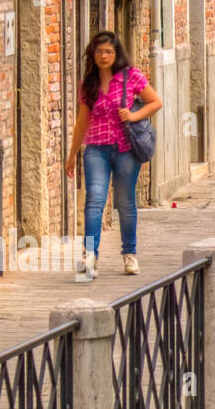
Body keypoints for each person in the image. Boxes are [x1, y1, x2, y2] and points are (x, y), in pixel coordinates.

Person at [65, 30, 164, 278]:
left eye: (108, 51)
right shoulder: (89, 83)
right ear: (93, 54)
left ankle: (129, 254)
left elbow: (155, 102)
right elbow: (83, 120)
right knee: (95, 201)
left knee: (125, 203)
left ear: (116, 53)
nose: (103, 55)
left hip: (125, 150)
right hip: (96, 149)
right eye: (99, 51)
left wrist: (133, 115)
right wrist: (72, 154)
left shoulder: (131, 77)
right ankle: (90, 256)